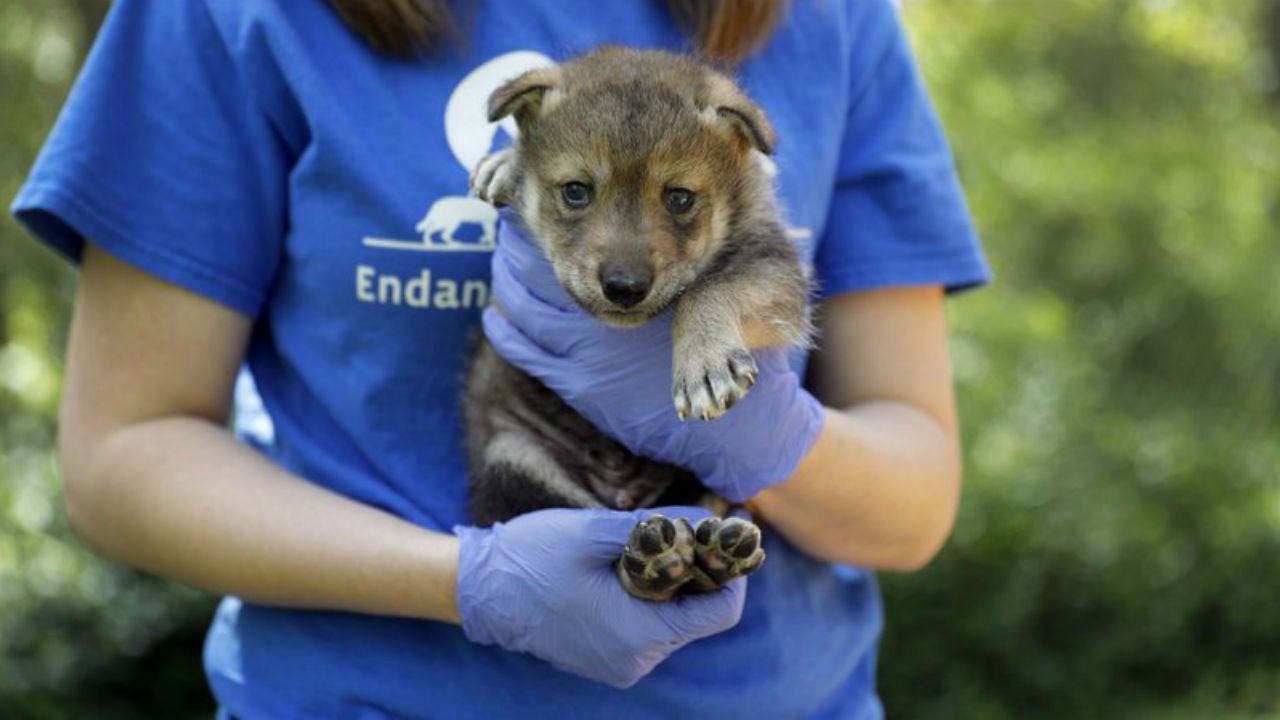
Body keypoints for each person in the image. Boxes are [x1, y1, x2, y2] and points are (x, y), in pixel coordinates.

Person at [11, 0, 989, 717]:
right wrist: (465, 583)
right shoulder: (223, 16)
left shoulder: (834, 20)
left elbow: (914, 502)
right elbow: (123, 453)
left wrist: (767, 436)